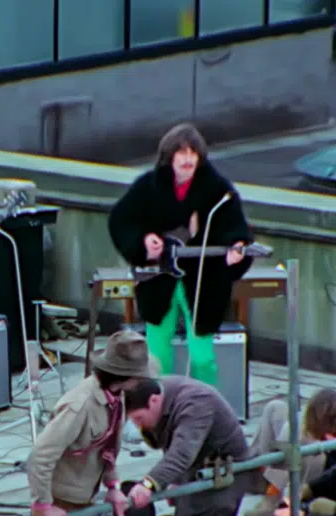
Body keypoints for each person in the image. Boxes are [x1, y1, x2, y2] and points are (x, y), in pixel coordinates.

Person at [107, 123, 252, 387]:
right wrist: (143, 242)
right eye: (181, 153)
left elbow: (235, 226)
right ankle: (160, 410)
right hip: (158, 279)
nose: (188, 159)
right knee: (157, 357)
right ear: (169, 155)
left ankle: (206, 408)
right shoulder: (147, 187)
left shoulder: (219, 190)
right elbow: (121, 221)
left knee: (203, 358)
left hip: (203, 282)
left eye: (193, 153)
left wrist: (237, 247)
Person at [27, 331, 156, 516]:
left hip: (82, 497)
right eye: (138, 376)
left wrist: (113, 486)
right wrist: (44, 505)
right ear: (124, 376)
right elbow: (41, 455)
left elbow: (106, 446)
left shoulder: (116, 398)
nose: (141, 381)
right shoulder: (81, 405)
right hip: (60, 500)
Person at [123, 377, 254, 516]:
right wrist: (174, 481)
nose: (139, 426)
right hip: (195, 479)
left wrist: (149, 484)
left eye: (139, 419)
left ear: (154, 401)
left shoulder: (196, 403)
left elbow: (182, 451)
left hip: (223, 484)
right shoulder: (161, 397)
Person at [240, 399, 326, 516]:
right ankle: (262, 474)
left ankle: (272, 495)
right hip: (316, 440)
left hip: (316, 472)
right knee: (275, 407)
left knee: (294, 429)